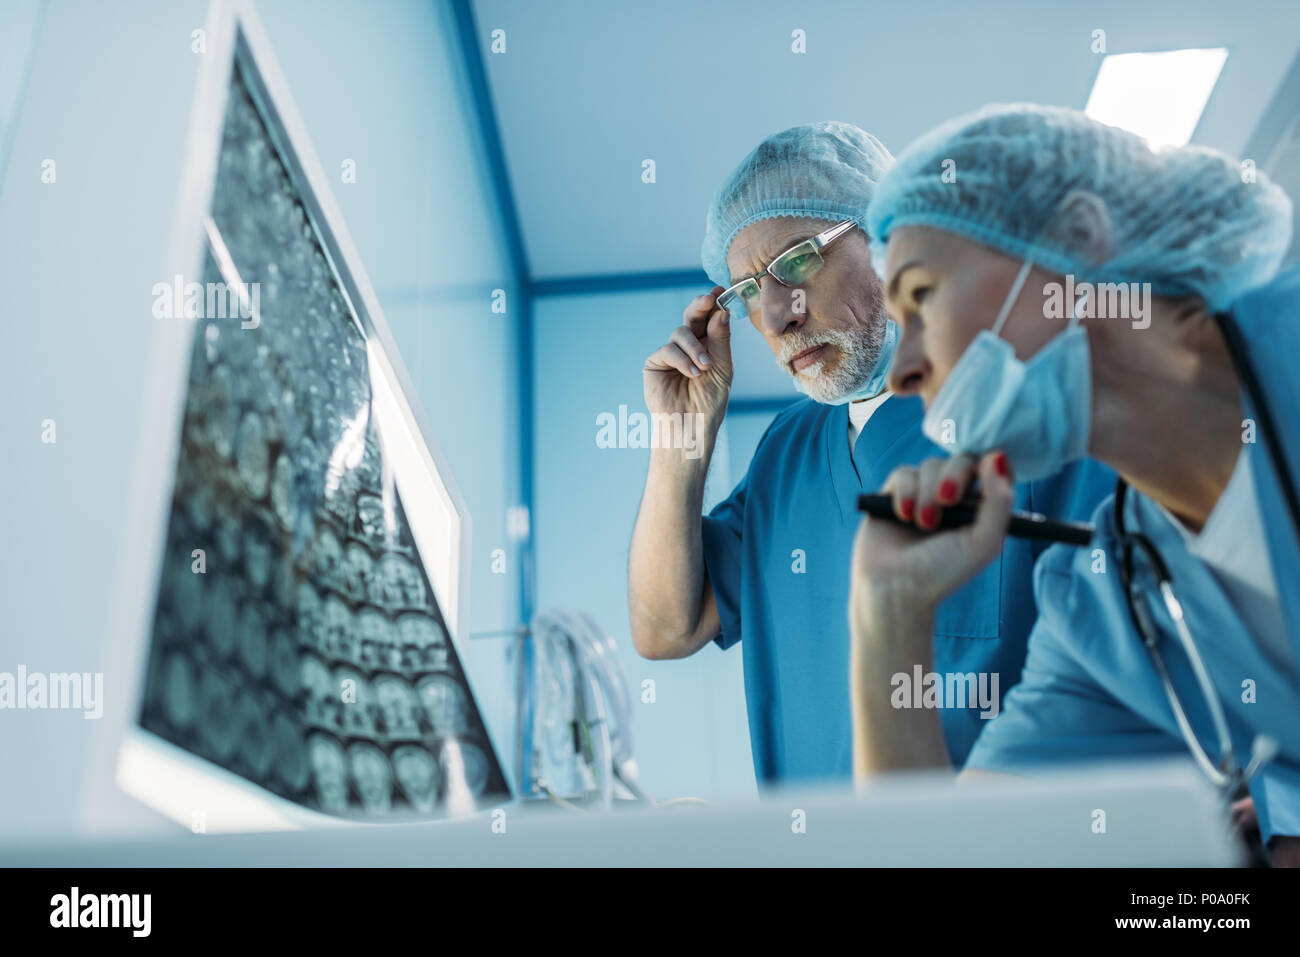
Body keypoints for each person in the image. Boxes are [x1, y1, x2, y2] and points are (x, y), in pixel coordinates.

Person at [851, 102, 1300, 863]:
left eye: (921, 297)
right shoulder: (1110, 605)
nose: (901, 372)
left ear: (1075, 237)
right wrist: (886, 616)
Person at [627, 122, 1114, 784]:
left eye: (797, 260)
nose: (775, 315)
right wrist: (680, 439)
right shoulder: (785, 455)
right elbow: (666, 627)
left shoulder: (1020, 403)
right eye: (746, 292)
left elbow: (1133, 668)